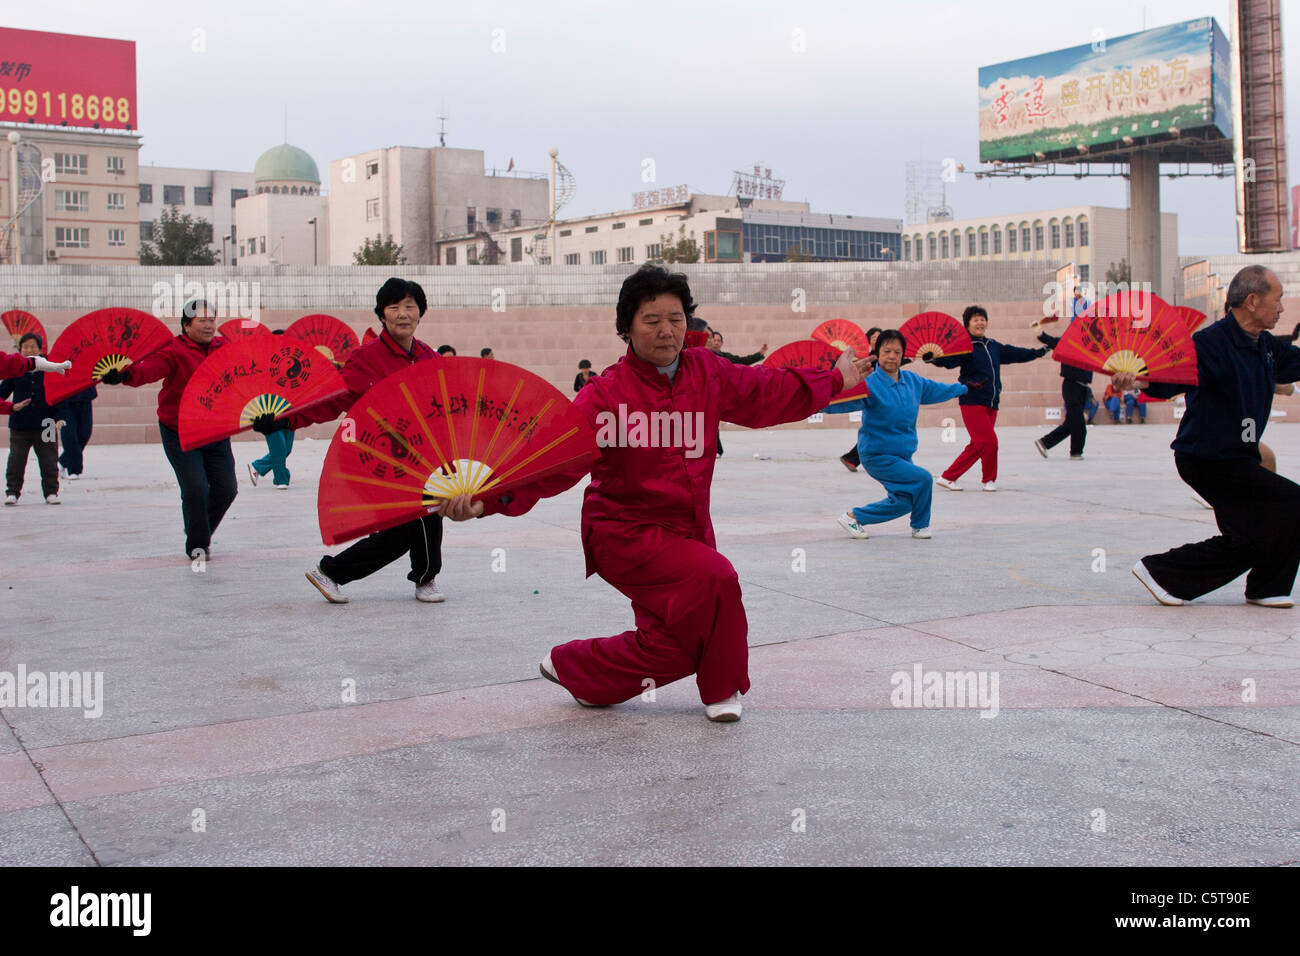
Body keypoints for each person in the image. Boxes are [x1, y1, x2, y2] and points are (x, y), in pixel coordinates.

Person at [440, 264, 870, 722]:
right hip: (625, 534)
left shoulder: (709, 371)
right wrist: (487, 499)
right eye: (652, 320)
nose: (667, 331)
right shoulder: (604, 395)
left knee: (683, 642)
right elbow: (551, 459)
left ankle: (579, 669)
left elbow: (769, 391)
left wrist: (835, 379)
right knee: (718, 579)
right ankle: (721, 691)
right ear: (626, 328)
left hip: (689, 531)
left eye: (676, 318)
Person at [1130, 265, 1300, 608]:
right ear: (1252, 301)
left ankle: (1268, 587)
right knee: (1291, 504)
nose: (1282, 308)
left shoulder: (1266, 346)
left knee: (1251, 535)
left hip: (1240, 457)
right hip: (1207, 457)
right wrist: (1137, 379)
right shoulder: (1209, 344)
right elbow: (1171, 378)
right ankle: (1162, 571)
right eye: (1277, 299)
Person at [276, 278, 448, 604]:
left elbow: (444, 411)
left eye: (410, 306)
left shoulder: (429, 358)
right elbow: (333, 399)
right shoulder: (365, 358)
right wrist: (287, 417)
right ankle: (413, 577)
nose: (402, 313)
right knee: (416, 522)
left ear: (420, 312)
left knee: (417, 521)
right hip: (378, 459)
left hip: (422, 457)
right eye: (394, 307)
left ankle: (418, 577)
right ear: (382, 314)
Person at [99, 299, 237, 560]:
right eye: (202, 321)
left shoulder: (223, 347)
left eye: (212, 321)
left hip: (216, 430)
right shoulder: (173, 350)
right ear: (186, 325)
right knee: (196, 489)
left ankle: (198, 526)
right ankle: (197, 545)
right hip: (180, 430)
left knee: (226, 489)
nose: (209, 326)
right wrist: (125, 375)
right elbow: (150, 369)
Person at [835, 329, 966, 539]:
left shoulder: (913, 381)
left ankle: (854, 517)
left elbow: (938, 390)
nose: (892, 356)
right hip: (877, 455)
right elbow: (841, 402)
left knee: (906, 501)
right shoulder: (869, 383)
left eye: (897, 351)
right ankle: (920, 526)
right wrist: (815, 403)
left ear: (903, 354)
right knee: (923, 479)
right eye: (887, 351)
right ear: (878, 353)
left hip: (903, 455)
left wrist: (965, 388)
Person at [931, 305, 1050, 491]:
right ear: (967, 324)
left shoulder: (993, 345)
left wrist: (1038, 352)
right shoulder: (965, 346)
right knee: (989, 442)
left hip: (992, 402)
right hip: (972, 400)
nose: (980, 322)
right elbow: (948, 361)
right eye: (975, 319)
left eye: (982, 319)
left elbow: (1016, 353)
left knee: (978, 445)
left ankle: (947, 477)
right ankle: (988, 480)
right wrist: (934, 358)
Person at [2, 333, 66, 505]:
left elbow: (60, 394)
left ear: (40, 348)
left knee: (49, 460)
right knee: (16, 460)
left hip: (46, 423)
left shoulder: (50, 368)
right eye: (25, 347)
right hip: (20, 424)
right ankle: (12, 492)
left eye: (33, 347)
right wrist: (8, 407)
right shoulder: (15, 370)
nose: (29, 350)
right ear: (21, 349)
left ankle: (51, 492)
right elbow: (3, 392)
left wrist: (60, 417)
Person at [1034, 325, 1094, 459]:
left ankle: (1044, 442)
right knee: (1078, 424)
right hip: (1071, 385)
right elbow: (1051, 341)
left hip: (1083, 387)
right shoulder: (1069, 343)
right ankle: (1076, 452)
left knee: (1071, 422)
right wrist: (1040, 333)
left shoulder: (1091, 346)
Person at [247, 329, 295, 489]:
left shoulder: (294, 365)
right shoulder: (263, 364)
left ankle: (258, 466)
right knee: (279, 448)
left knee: (286, 449)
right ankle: (281, 479)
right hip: (268, 412)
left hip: (289, 411)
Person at [840, 327, 883, 472]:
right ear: (869, 341)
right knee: (876, 430)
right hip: (872, 396)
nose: (877, 339)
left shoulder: (884, 355)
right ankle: (851, 458)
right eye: (874, 337)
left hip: (882, 396)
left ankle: (852, 458)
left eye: (879, 337)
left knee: (877, 430)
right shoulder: (869, 358)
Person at [57, 381, 96, 481]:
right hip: (67, 402)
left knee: (84, 434)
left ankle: (62, 462)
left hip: (86, 399)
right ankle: (74, 470)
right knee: (69, 436)